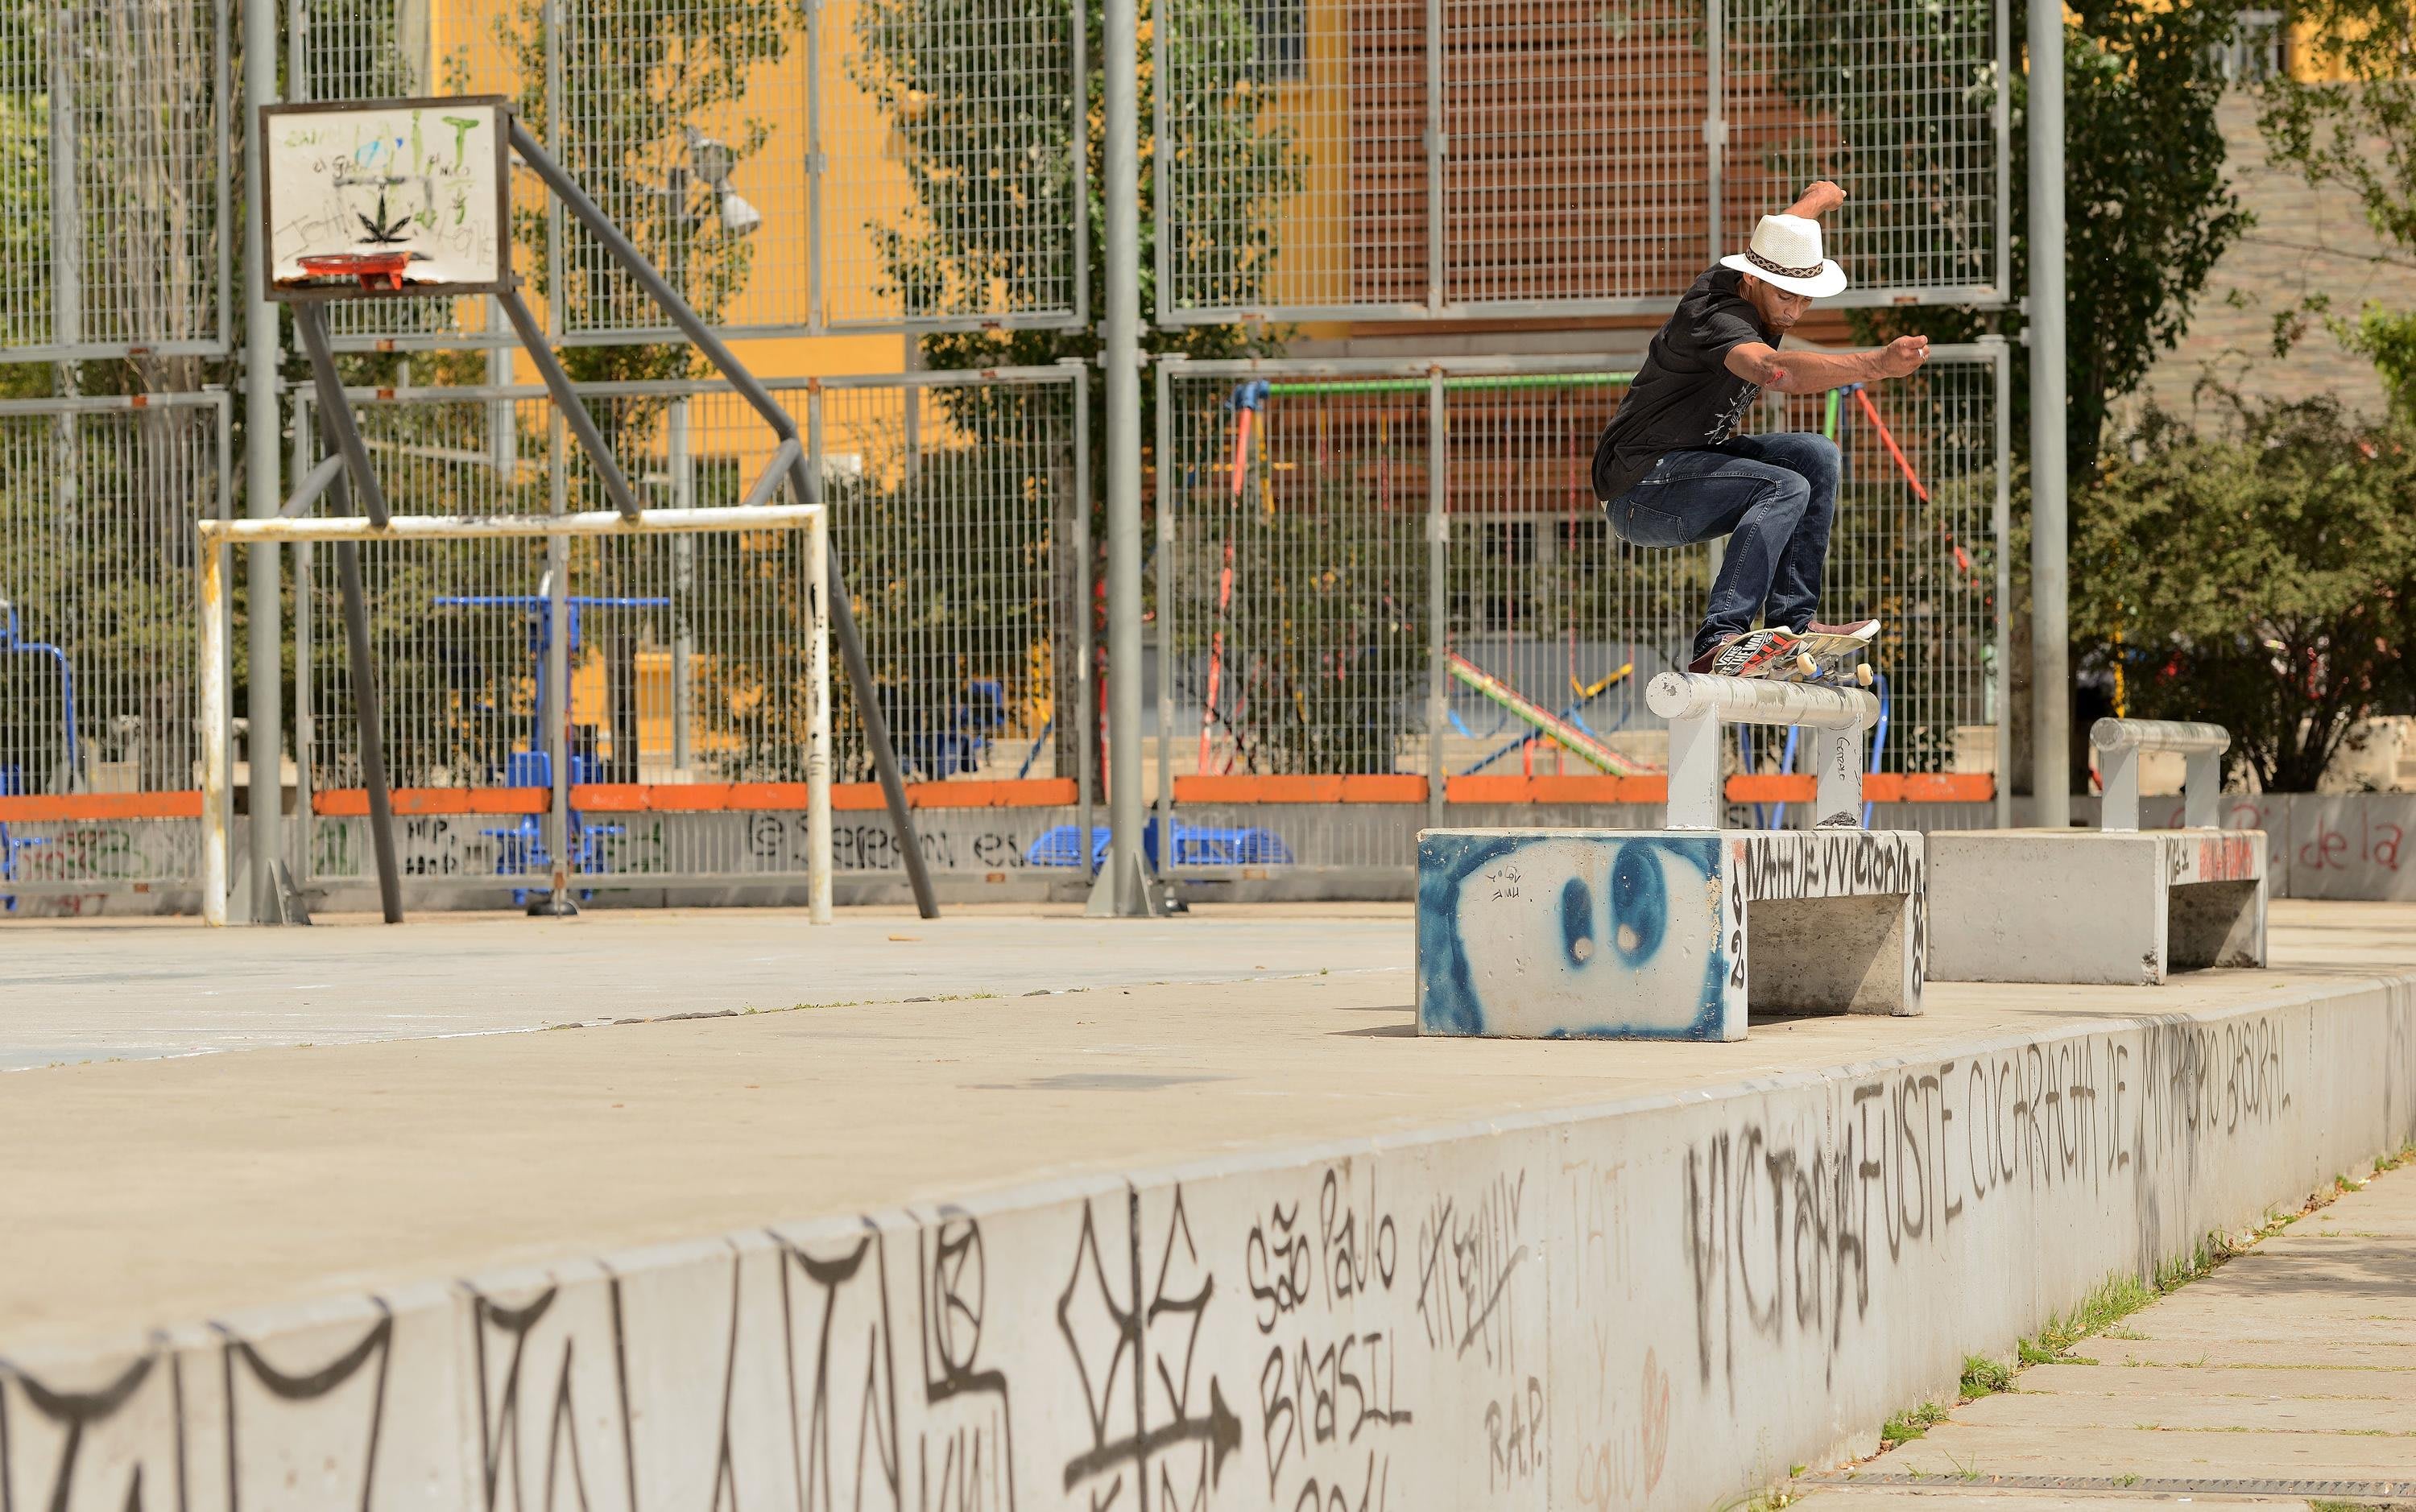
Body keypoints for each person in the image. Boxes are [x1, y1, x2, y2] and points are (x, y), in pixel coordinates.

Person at [1591, 180, 1930, 675]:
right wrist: (1876, 363)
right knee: (1784, 485)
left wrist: (1818, 198)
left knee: (1817, 456)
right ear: (1751, 282)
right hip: (1640, 488)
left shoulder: (1761, 264)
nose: (1793, 311)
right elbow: (1778, 372)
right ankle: (1721, 639)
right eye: (1784, 298)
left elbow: (1785, 231)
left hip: (1690, 467)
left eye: (1804, 300)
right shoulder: (1716, 317)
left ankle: (1792, 624)